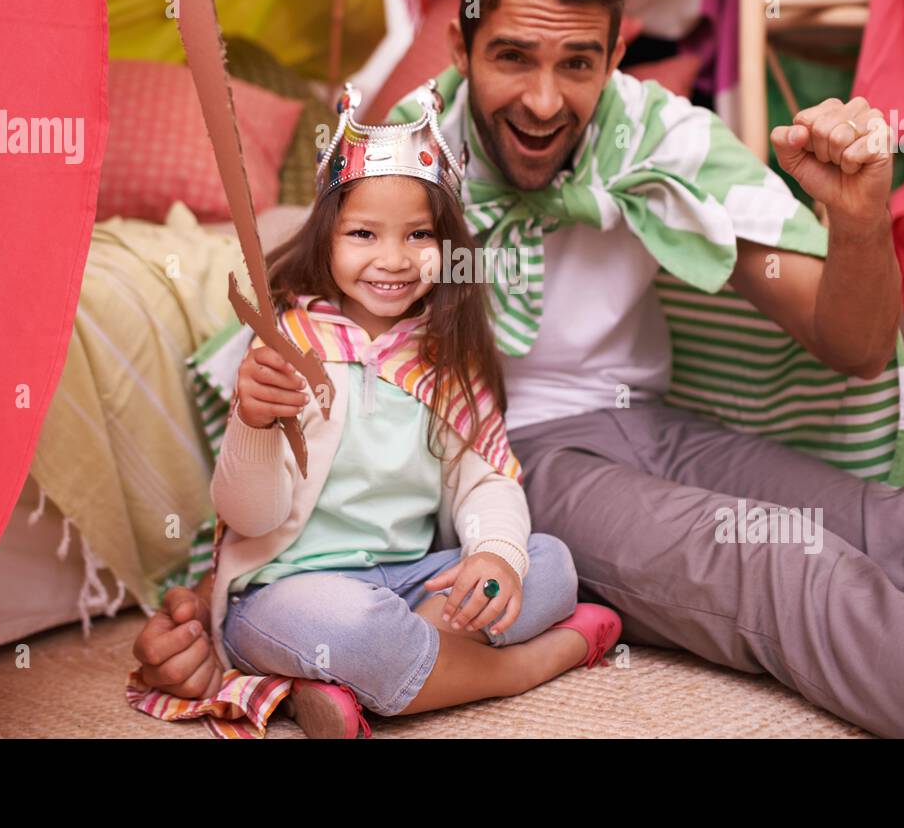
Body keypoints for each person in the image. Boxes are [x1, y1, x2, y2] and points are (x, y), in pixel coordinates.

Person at [138, 0, 904, 738]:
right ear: (461, 51)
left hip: (654, 423)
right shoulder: (409, 157)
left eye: (575, 62)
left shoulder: (660, 142)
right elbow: (311, 357)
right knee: (783, 571)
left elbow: (851, 344)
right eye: (511, 57)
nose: (540, 97)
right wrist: (229, 586)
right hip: (513, 462)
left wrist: (859, 221)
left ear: (614, 56)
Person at [134, 83, 620, 739]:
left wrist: (496, 556)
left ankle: (354, 679)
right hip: (293, 591)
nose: (392, 260)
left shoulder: (446, 359)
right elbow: (249, 516)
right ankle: (534, 662)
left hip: (415, 583)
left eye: (418, 234)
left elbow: (486, 482)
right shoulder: (290, 345)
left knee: (551, 563)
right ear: (326, 237)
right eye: (363, 233)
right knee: (352, 626)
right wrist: (253, 424)